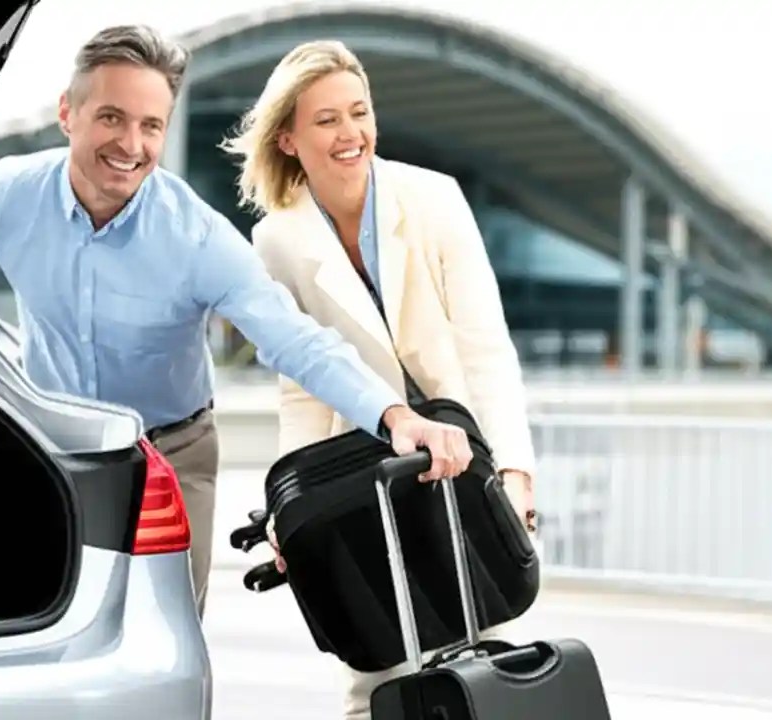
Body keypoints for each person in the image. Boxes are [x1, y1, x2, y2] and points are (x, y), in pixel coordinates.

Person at [0, 25, 473, 619]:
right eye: (112, 118)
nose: (131, 144)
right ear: (68, 112)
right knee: (29, 621)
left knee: (166, 637)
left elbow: (294, 339)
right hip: (49, 445)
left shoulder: (198, 237)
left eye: (151, 125)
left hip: (172, 454)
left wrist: (395, 415)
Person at [220, 40, 538, 718]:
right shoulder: (277, 240)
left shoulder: (433, 199)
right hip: (364, 466)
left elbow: (484, 345)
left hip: (461, 454)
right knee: (376, 666)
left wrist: (515, 471)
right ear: (288, 137)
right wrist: (288, 501)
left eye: (359, 113)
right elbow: (300, 384)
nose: (350, 133)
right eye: (327, 119)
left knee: (493, 643)